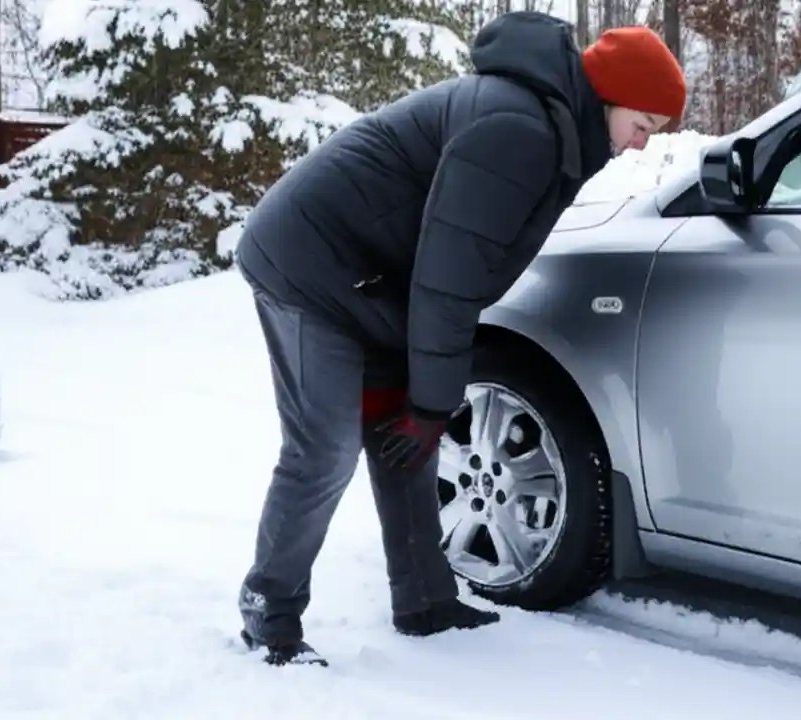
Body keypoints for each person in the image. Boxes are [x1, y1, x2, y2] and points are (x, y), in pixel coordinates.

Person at [231, 10, 686, 667]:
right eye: (643, 125)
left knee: (406, 443)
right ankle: (268, 616)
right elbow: (451, 275)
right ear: (608, 97)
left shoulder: (551, 128)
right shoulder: (520, 127)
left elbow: (456, 268)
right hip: (310, 267)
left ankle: (424, 602)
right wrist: (434, 400)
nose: (642, 144)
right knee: (324, 449)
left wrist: (427, 403)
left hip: (378, 280)